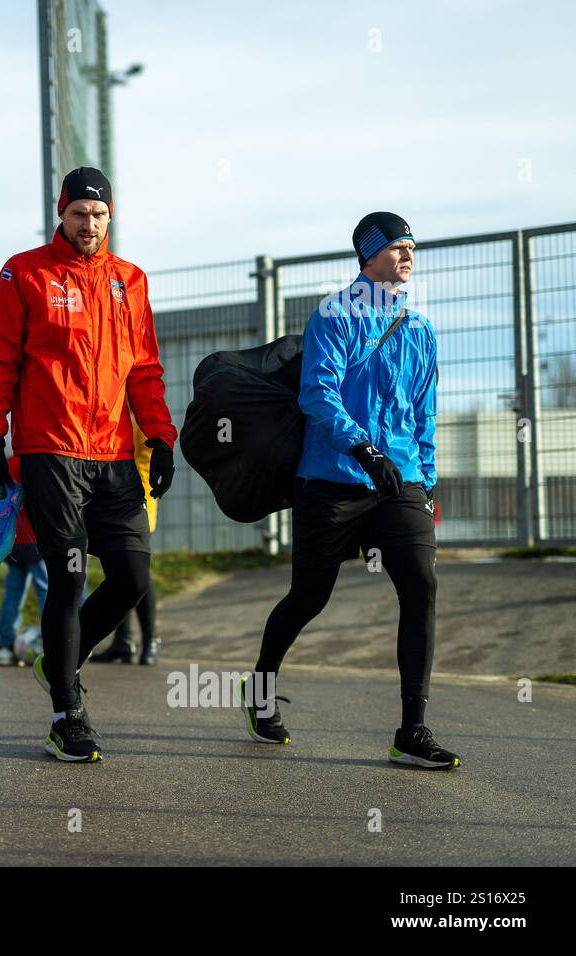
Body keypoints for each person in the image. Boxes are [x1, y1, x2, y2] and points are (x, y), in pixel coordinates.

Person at [240, 212, 457, 770]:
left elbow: (423, 415)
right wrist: (364, 449)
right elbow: (318, 394)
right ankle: (260, 688)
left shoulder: (419, 330)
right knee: (309, 598)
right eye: (397, 247)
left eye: (412, 247)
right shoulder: (335, 315)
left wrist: (425, 482)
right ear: (368, 255)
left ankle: (412, 729)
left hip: (399, 482)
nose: (408, 256)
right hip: (334, 481)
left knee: (421, 588)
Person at [0, 167, 176, 762]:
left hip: (113, 455)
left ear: (110, 217)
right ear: (59, 213)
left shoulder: (130, 281)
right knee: (66, 575)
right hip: (49, 450)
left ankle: (58, 661)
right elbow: (0, 362)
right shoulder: (24, 272)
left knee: (133, 578)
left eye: (99, 215)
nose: (89, 224)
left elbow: (144, 370)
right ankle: (68, 711)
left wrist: (161, 437)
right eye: (79, 213)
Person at [91, 418, 161, 664]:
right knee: (118, 570)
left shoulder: (141, 411)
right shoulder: (121, 407)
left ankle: (150, 640)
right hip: (115, 496)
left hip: (138, 498)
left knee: (137, 571)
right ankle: (124, 641)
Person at [0, 456, 49, 666]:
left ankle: (5, 647)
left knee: (13, 593)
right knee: (46, 591)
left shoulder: (5, 464)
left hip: (11, 538)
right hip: (36, 538)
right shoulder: (36, 462)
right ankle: (49, 644)